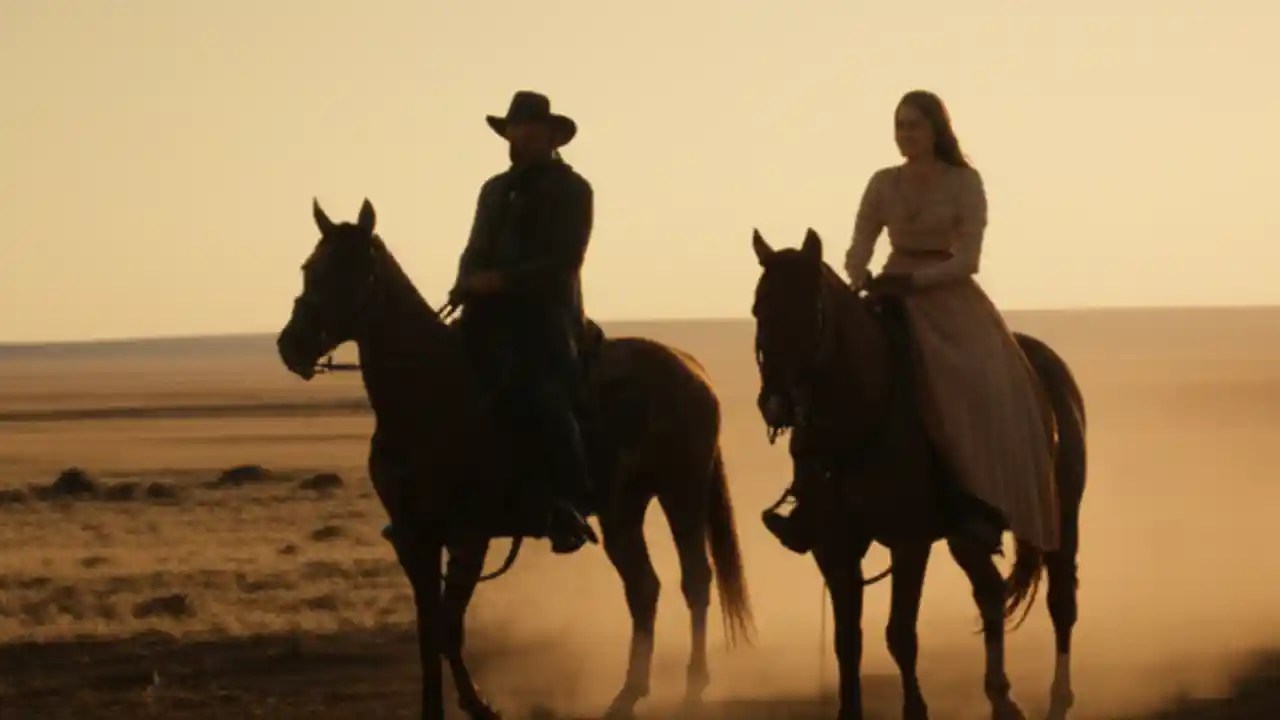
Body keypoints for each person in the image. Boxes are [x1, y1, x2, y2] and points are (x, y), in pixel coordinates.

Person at [764, 90, 1059, 555]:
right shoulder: (883, 182)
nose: (905, 135)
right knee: (830, 373)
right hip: (889, 291)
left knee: (973, 380)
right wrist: (861, 275)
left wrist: (916, 280)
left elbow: (968, 259)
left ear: (935, 129)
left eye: (914, 126)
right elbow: (860, 243)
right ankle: (810, 498)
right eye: (900, 126)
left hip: (950, 300)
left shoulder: (965, 182)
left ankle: (975, 499)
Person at [446, 90, 600, 554]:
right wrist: (466, 281)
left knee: (543, 393)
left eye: (528, 130)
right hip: (485, 314)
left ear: (552, 136)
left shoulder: (573, 190)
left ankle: (569, 502)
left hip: (547, 314)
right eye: (513, 130)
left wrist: (502, 281)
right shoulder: (494, 189)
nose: (519, 138)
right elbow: (474, 246)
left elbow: (564, 261)